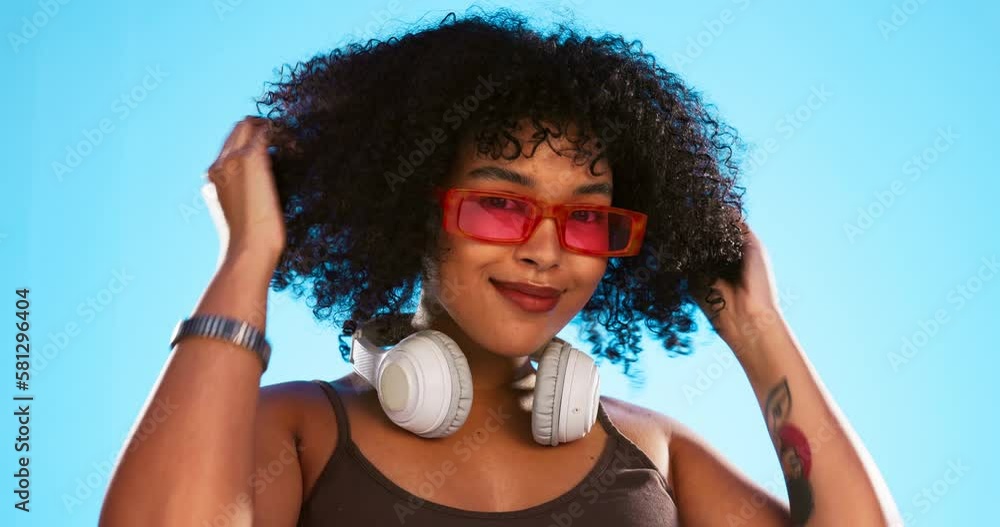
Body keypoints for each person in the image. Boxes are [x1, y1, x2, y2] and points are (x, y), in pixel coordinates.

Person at [100, 8, 900, 526]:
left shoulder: (651, 453)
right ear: (414, 205)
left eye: (587, 216)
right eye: (500, 204)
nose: (547, 250)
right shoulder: (299, 428)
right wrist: (248, 258)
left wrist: (759, 329)